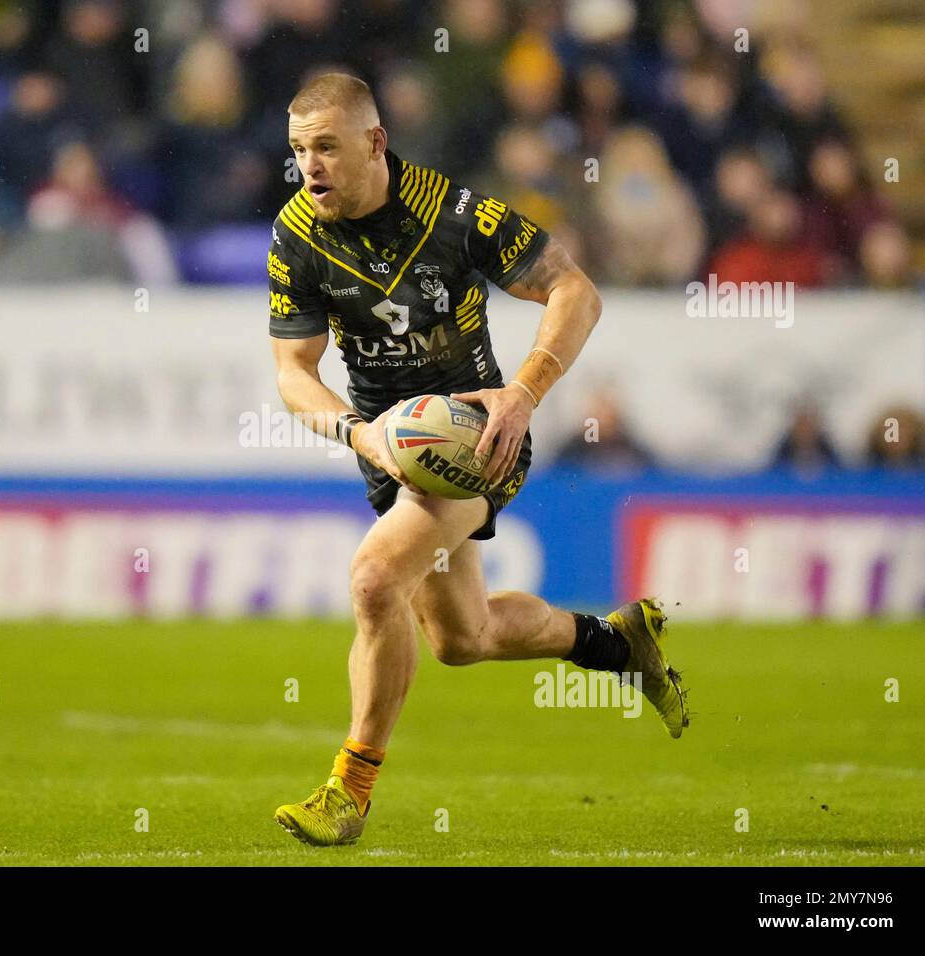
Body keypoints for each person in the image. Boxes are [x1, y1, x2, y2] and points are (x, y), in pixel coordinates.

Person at [266, 73, 688, 847]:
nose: (310, 166)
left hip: (477, 442)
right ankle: (617, 642)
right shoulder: (296, 232)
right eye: (299, 150)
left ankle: (347, 793)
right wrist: (358, 434)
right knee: (463, 640)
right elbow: (294, 373)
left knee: (372, 578)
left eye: (325, 146)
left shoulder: (454, 216)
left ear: (375, 142)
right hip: (390, 450)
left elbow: (575, 290)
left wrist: (524, 391)